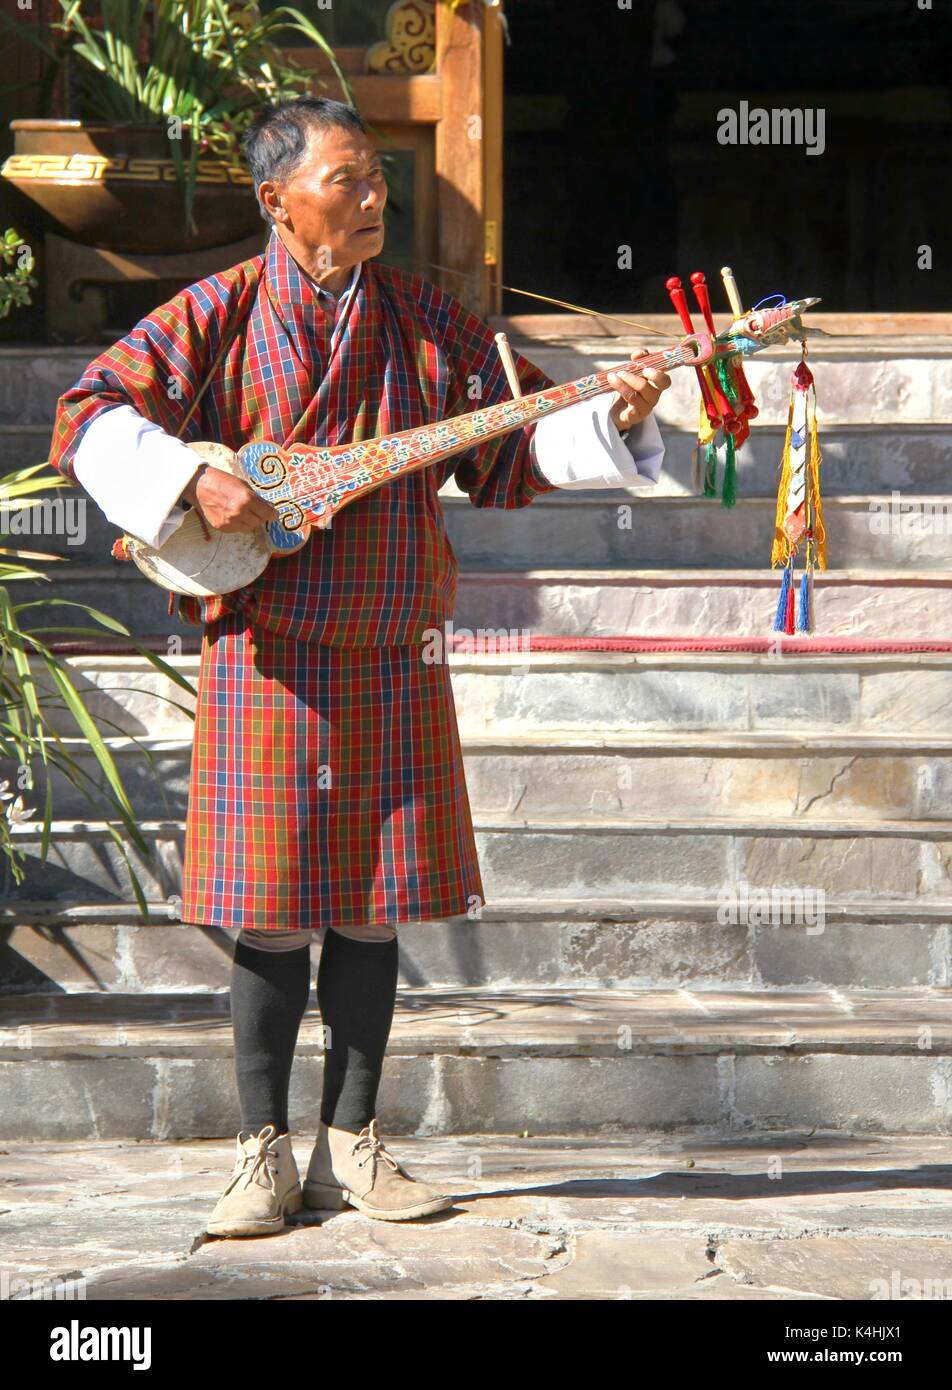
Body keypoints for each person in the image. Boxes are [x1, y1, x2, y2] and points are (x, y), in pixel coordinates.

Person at [49, 97, 672, 1238]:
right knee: (273, 914)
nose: (374, 195)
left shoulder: (430, 323)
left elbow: (505, 453)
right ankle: (259, 1153)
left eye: (379, 176)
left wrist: (612, 411)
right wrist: (193, 484)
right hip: (266, 651)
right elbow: (87, 412)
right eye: (346, 178)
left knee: (377, 912)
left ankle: (355, 1144)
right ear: (275, 199)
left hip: (393, 644)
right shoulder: (218, 313)